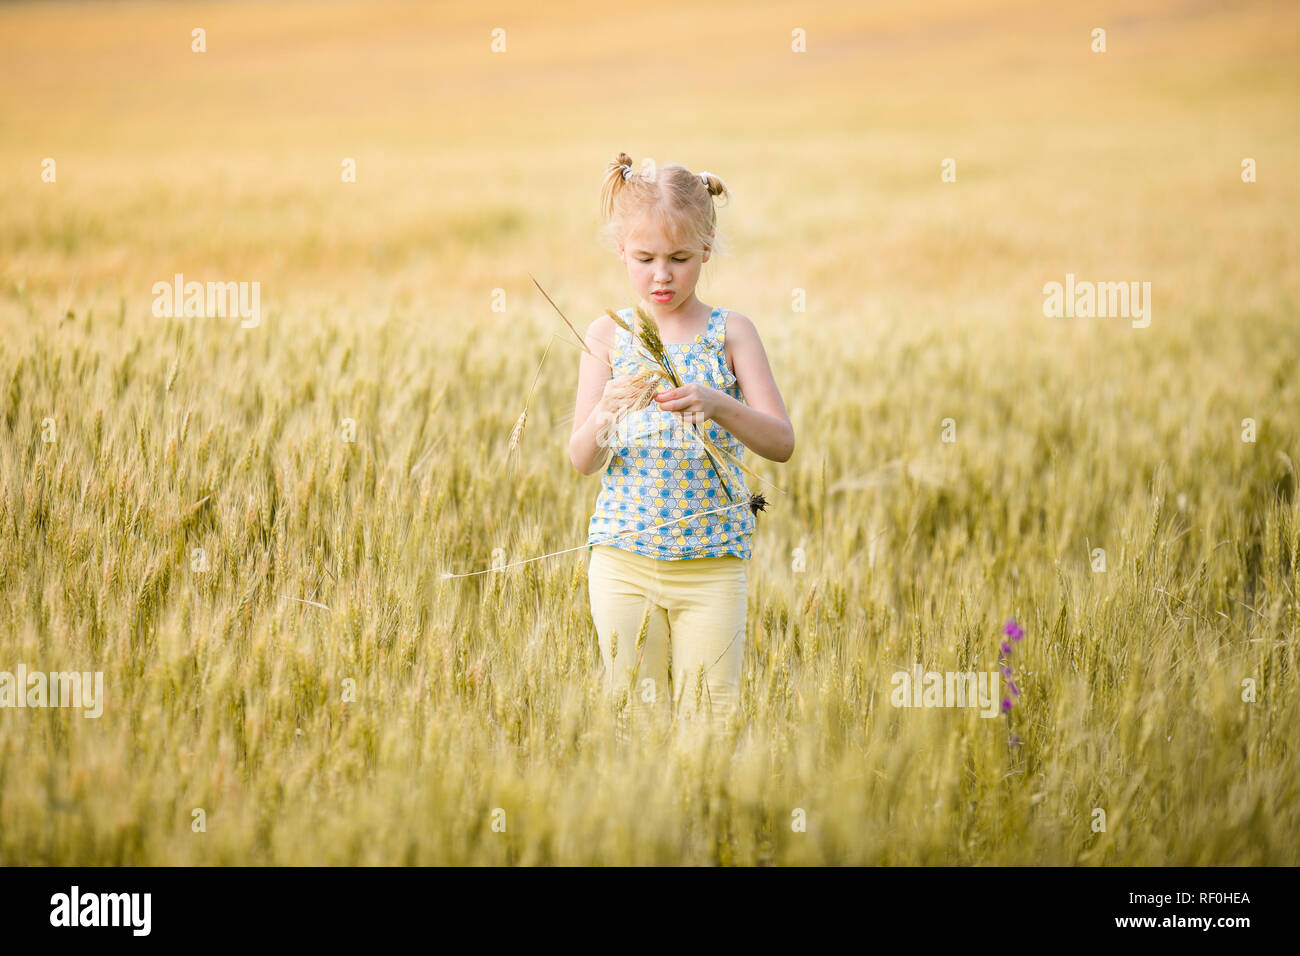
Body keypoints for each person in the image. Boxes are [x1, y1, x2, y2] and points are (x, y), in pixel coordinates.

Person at [568, 151, 795, 739]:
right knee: (635, 727)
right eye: (644, 259)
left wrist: (719, 404)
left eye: (679, 259)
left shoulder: (732, 332)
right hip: (622, 561)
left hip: (713, 566)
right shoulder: (607, 336)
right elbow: (581, 460)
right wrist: (605, 412)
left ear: (707, 249)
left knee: (710, 730)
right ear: (622, 252)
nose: (661, 276)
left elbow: (781, 442)